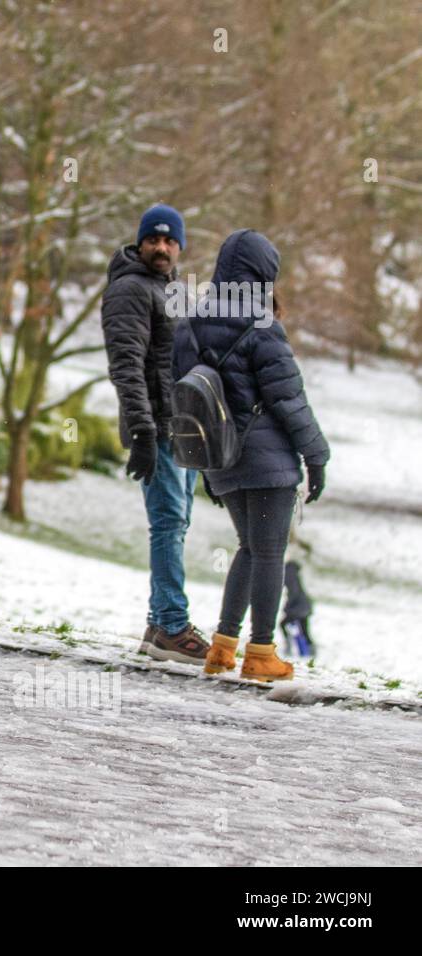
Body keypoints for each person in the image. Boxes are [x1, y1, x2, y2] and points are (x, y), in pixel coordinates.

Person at [171, 229, 329, 682]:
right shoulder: (261, 326)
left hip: (221, 459)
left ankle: (222, 647)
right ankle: (260, 654)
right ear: (263, 273)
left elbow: (184, 400)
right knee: (270, 553)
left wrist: (204, 464)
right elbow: (289, 400)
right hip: (268, 461)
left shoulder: (191, 323)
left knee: (248, 548)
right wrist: (316, 457)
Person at [101, 203, 209, 663]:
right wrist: (143, 434)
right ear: (140, 242)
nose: (161, 247)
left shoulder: (171, 291)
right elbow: (126, 367)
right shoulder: (130, 289)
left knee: (177, 524)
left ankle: (157, 623)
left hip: (180, 429)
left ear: (179, 246)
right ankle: (170, 625)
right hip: (158, 430)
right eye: (154, 240)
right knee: (168, 525)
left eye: (170, 241)